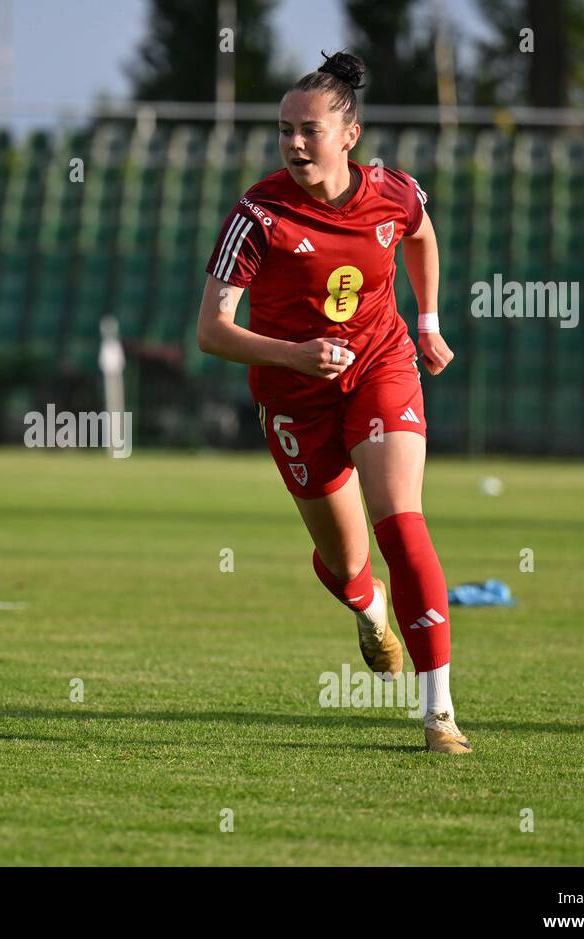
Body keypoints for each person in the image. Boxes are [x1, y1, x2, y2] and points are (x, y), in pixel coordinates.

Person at [196, 50, 469, 753]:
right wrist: (295, 355)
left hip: (382, 363)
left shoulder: (394, 192)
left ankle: (439, 713)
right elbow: (211, 331)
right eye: (285, 129)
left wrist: (429, 322)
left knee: (402, 526)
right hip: (293, 395)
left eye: (308, 130)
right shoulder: (257, 214)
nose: (293, 142)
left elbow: (421, 234)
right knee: (347, 564)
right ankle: (369, 610)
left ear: (349, 134)